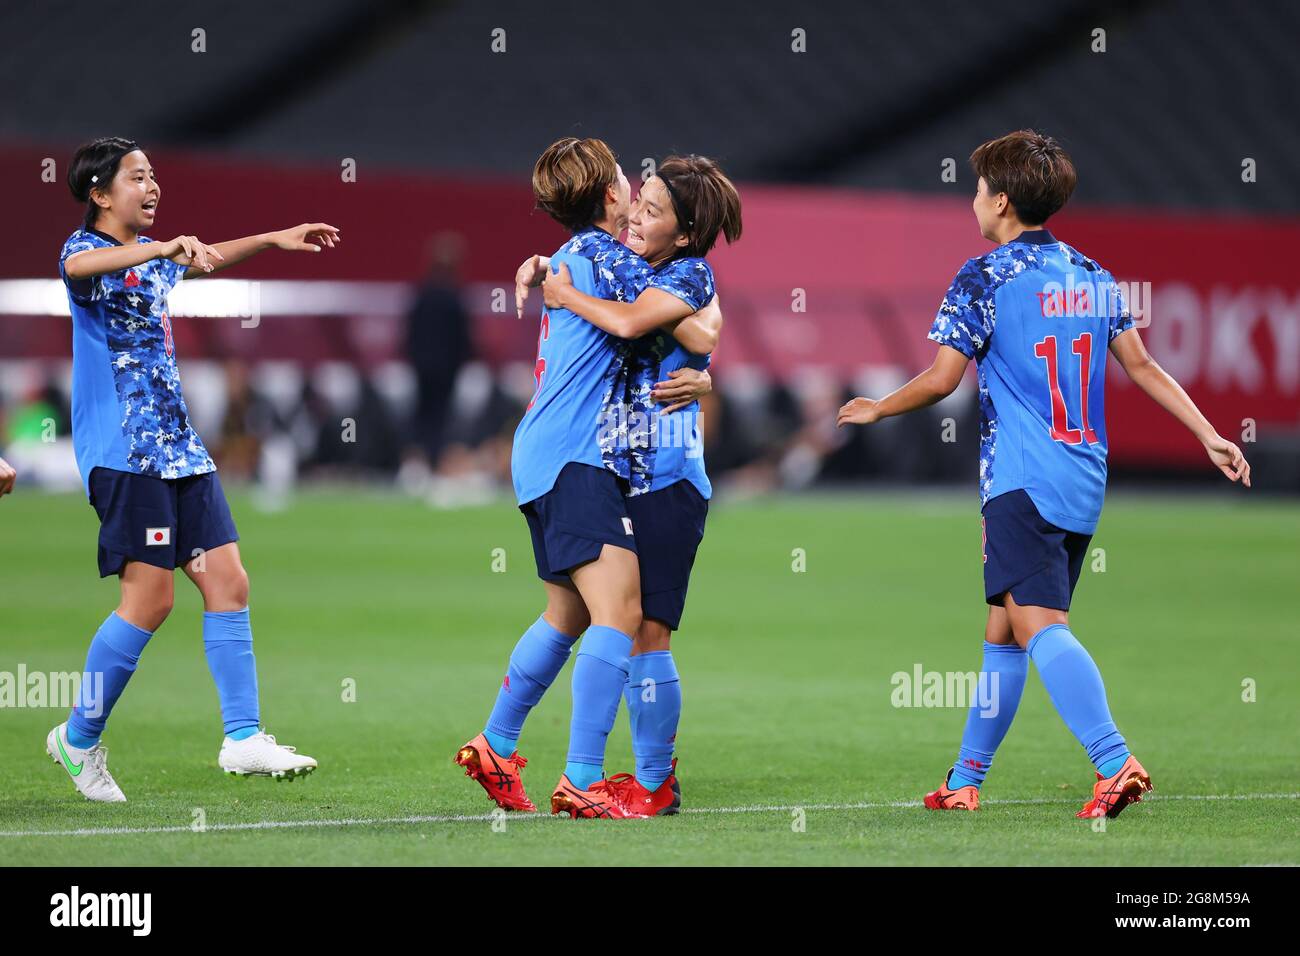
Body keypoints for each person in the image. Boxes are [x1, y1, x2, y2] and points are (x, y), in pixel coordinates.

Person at [837, 130, 1250, 819]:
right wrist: (1207, 432)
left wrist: (879, 406)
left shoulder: (984, 276)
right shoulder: (1092, 274)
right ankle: (965, 779)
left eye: (976, 190)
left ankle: (1115, 761)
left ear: (1000, 202)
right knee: (1003, 625)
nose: (972, 201)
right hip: (1084, 478)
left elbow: (943, 380)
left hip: (1023, 480)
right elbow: (1142, 366)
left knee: (1036, 623)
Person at [50, 136, 339, 802]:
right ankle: (78, 736)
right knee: (150, 600)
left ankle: (243, 738)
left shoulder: (152, 260)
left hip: (178, 448)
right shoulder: (83, 253)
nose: (151, 188)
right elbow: (88, 268)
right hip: (126, 453)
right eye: (136, 178)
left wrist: (275, 237)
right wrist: (162, 247)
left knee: (229, 580)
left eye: (154, 176)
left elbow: (202, 257)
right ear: (99, 193)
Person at [454, 137, 717, 819]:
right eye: (634, 188)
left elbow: (698, 327)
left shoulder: (581, 257)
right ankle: (581, 775)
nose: (637, 197)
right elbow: (696, 323)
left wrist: (551, 269)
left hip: (550, 453)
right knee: (624, 615)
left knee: (568, 613)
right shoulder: (610, 261)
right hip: (579, 457)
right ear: (609, 198)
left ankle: (496, 742)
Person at [537, 154, 743, 815]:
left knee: (647, 631)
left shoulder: (686, 274)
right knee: (617, 625)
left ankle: (654, 783)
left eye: (653, 210)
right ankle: (641, 776)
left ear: (684, 233)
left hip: (667, 475)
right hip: (622, 468)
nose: (635, 214)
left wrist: (562, 291)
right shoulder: (637, 267)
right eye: (639, 201)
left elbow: (672, 328)